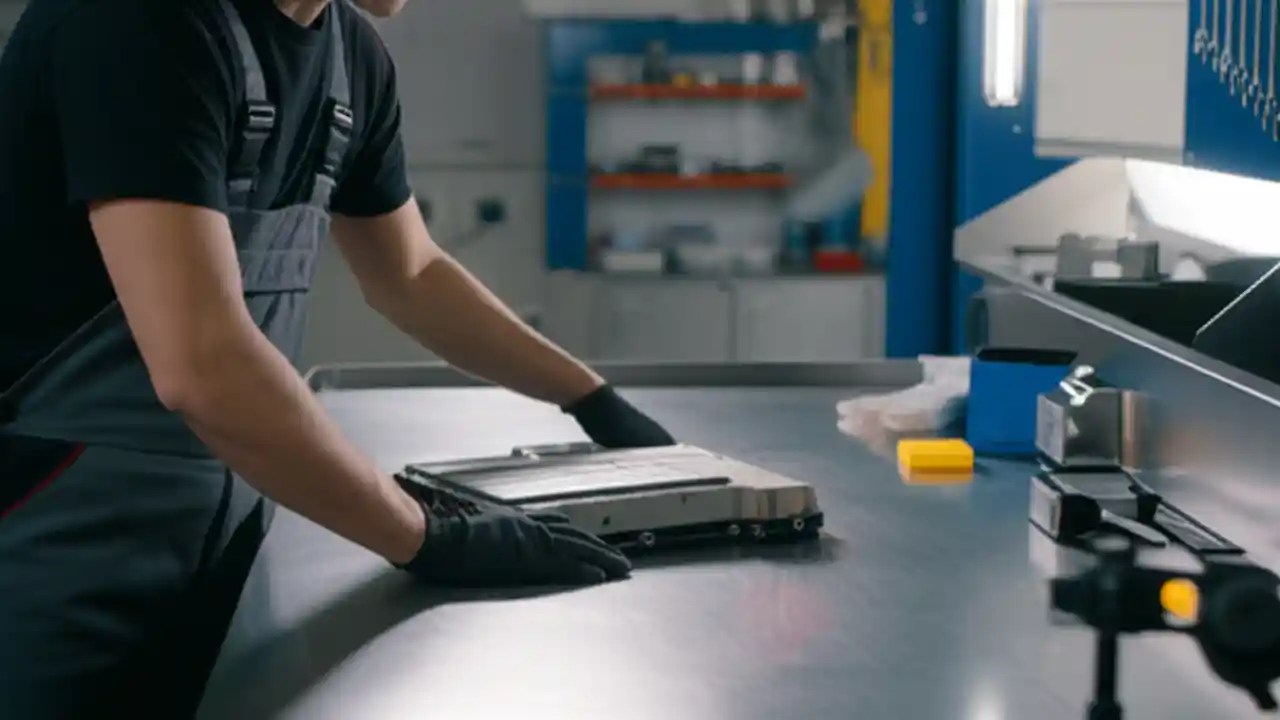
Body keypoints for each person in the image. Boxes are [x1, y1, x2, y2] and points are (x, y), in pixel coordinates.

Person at [0, 0, 674, 716]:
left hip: (224, 536)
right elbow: (203, 365)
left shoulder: (350, 58)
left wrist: (590, 399)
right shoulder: (135, 24)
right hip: (51, 546)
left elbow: (410, 275)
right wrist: (425, 534)